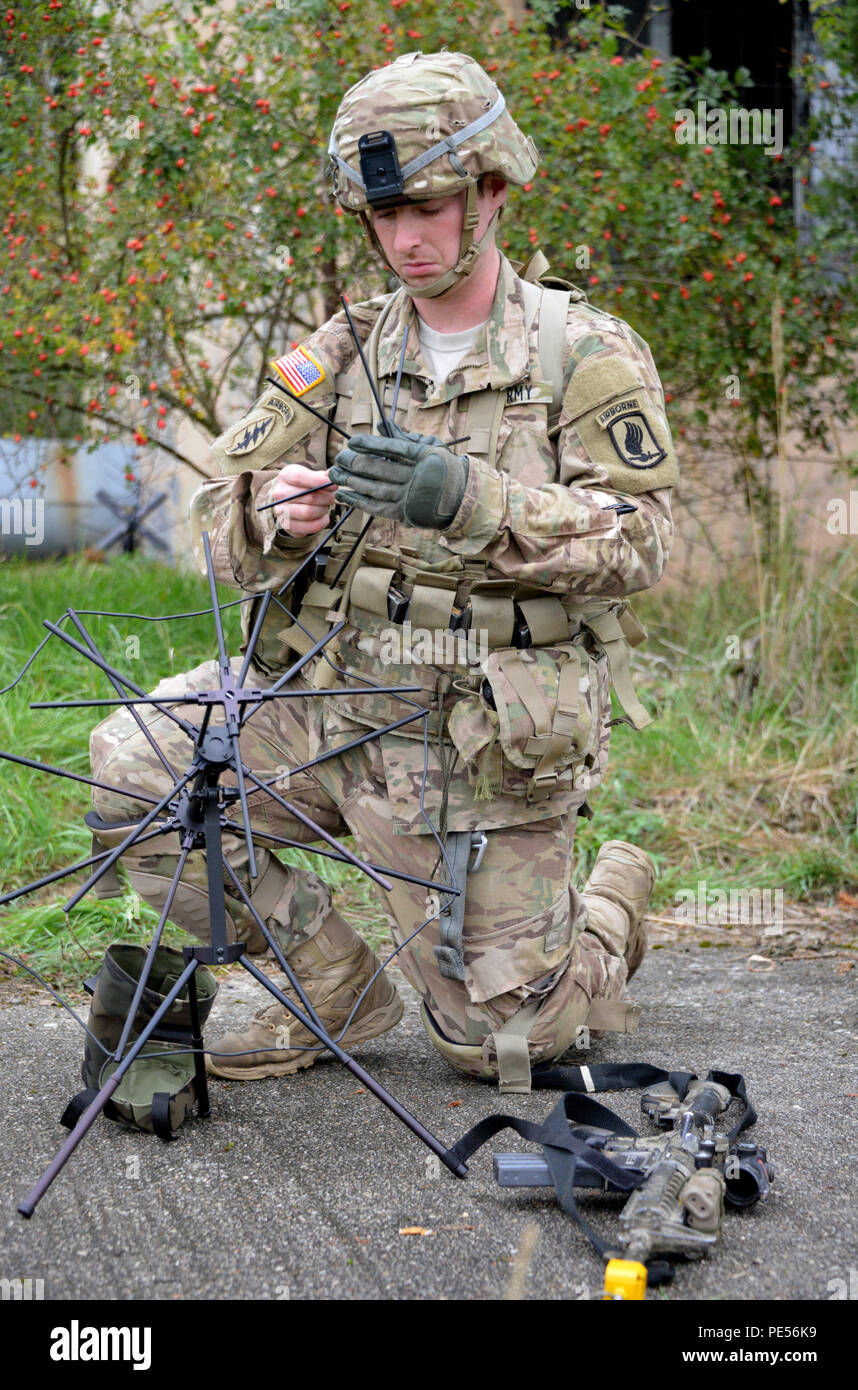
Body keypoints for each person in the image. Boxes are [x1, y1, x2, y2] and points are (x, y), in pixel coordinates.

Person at [88, 50, 677, 1094]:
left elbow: (648, 541)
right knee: (137, 769)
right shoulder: (342, 350)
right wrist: (272, 515)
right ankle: (334, 983)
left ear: (493, 190)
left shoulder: (578, 352)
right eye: (380, 214)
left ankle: (610, 904)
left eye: (430, 205)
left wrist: (477, 500)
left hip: (478, 745)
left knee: (506, 1048)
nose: (405, 237)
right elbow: (216, 522)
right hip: (329, 704)